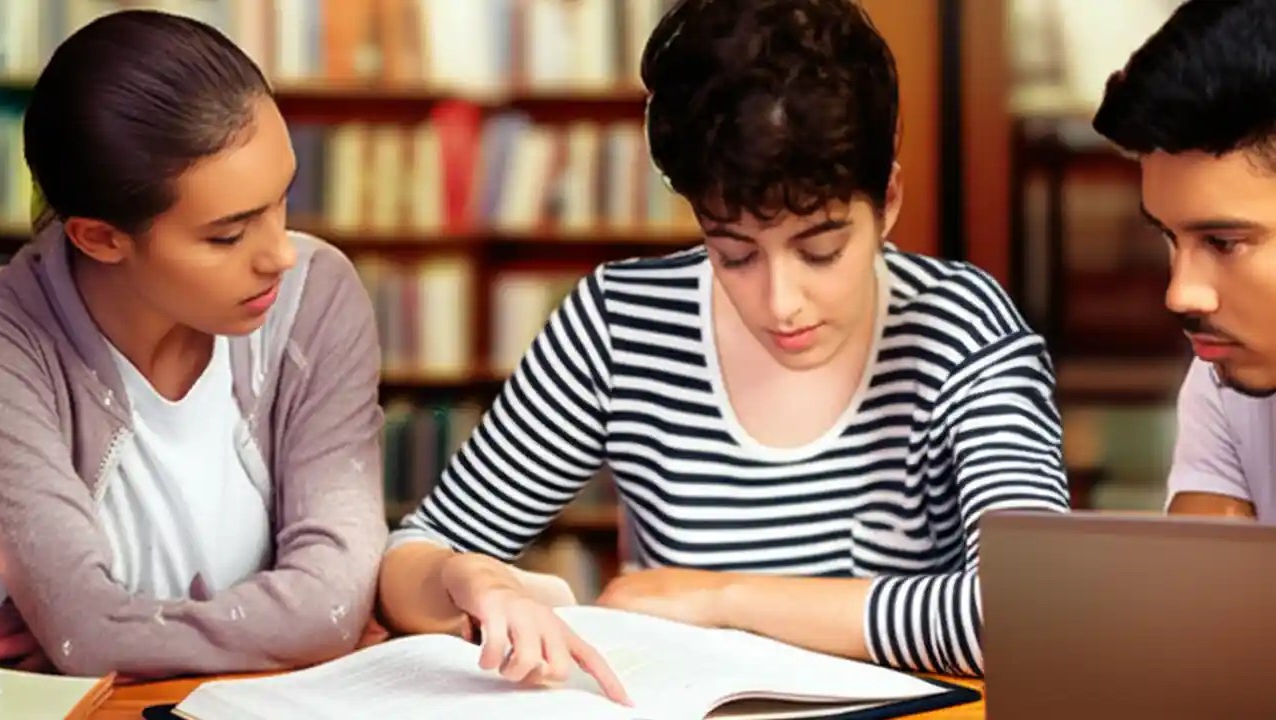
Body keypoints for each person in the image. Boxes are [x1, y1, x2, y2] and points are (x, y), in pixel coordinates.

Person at [379, 0, 1069, 683]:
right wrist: (467, 577)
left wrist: (717, 597)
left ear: (887, 200)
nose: (780, 303)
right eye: (734, 253)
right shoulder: (620, 326)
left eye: (822, 250)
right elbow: (414, 555)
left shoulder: (961, 326)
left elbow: (1032, 607)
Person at [0, 10, 388, 679]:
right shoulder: (11, 344)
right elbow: (85, 632)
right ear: (99, 238)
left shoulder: (317, 296)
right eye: (228, 235)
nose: (280, 256)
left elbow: (332, 601)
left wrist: (119, 639)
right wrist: (293, 631)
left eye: (281, 201)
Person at [1093, 0, 1276, 522]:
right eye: (1170, 238)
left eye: (1222, 242)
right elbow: (1202, 589)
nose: (1181, 295)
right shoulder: (1223, 382)